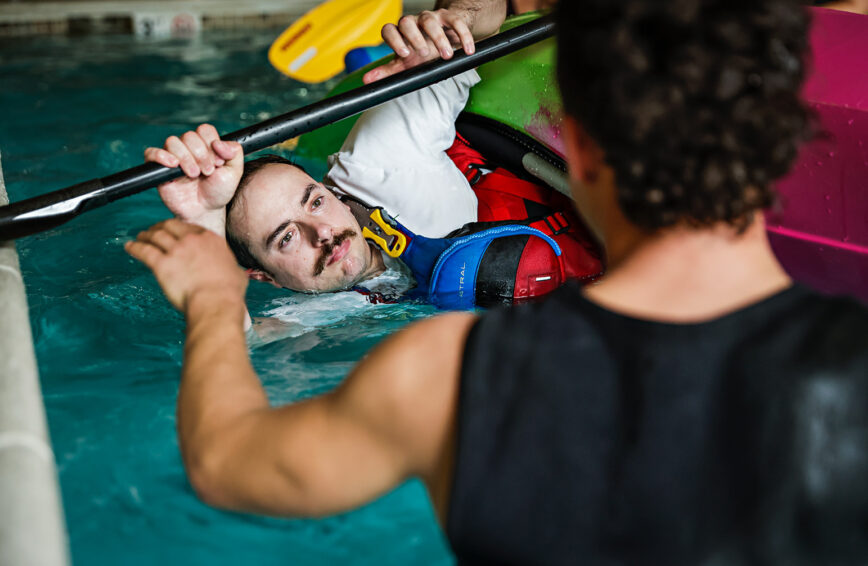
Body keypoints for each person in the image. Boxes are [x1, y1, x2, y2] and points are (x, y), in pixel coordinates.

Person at [126, 0, 868, 564]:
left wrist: (210, 288)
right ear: (785, 144)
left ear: (575, 148)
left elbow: (226, 462)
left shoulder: (441, 375)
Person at [145, 1, 598, 319]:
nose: (323, 234)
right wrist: (204, 220)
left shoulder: (382, 156)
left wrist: (454, 18)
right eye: (286, 239)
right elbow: (233, 352)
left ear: (330, 190)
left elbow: (487, 16)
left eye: (315, 202)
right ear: (264, 279)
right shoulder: (310, 309)